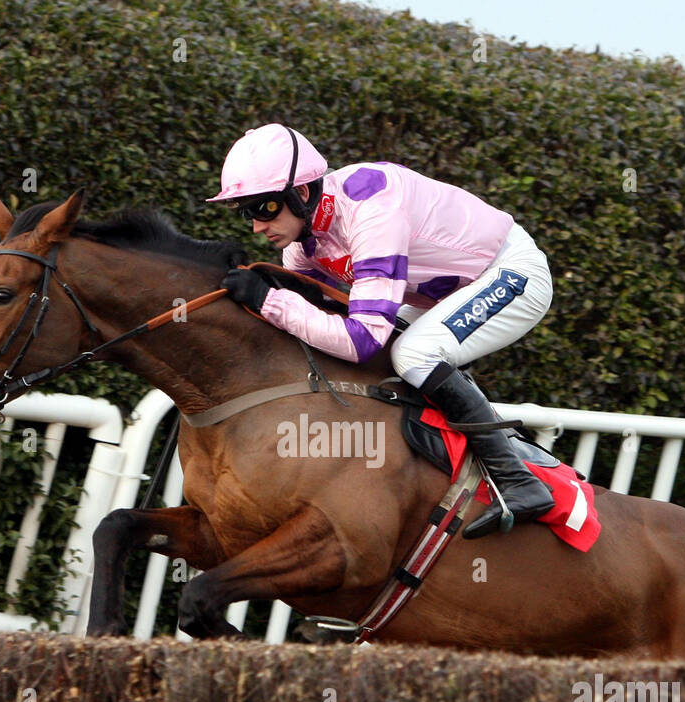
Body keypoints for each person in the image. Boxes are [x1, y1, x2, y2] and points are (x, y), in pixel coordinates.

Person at [208, 124, 555, 539]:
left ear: (301, 193)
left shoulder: (372, 208)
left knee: (413, 355)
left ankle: (518, 480)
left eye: (264, 208)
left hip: (512, 273)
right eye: (247, 212)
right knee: (393, 355)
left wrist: (270, 301)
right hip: (450, 293)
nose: (257, 226)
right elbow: (314, 322)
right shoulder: (303, 245)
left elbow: (360, 338)